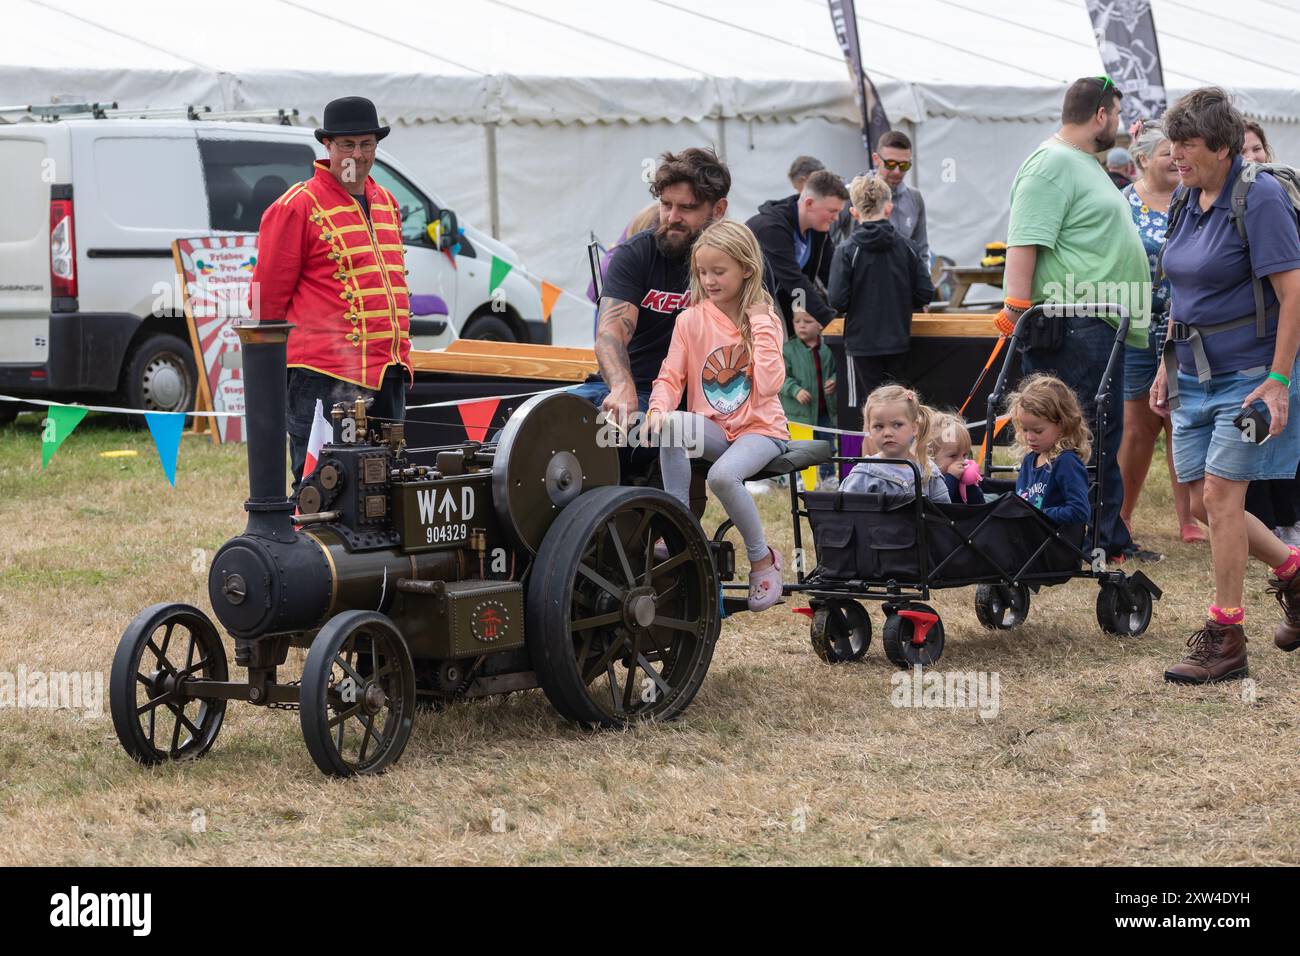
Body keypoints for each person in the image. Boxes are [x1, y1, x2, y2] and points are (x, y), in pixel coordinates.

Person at [1150, 88, 1300, 684]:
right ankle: (1293, 572)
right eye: (1173, 143)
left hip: (1247, 379)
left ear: (1222, 145)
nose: (1175, 155)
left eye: (1187, 145)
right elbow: (1181, 293)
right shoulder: (1189, 196)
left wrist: (1278, 381)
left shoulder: (1259, 197)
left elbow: (1294, 297)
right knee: (1201, 504)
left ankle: (1227, 635)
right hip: (1191, 372)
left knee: (1218, 496)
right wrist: (1166, 362)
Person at [999, 76, 1152, 564]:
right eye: (1118, 116)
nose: (1121, 128)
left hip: (1099, 324)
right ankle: (1081, 540)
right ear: (1101, 114)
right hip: (1073, 324)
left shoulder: (1082, 163)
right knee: (1078, 436)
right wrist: (1015, 310)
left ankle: (1103, 538)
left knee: (1099, 433)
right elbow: (1024, 240)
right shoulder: (1052, 164)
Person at [250, 96, 411, 488]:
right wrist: (269, 376)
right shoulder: (297, 206)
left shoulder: (388, 203)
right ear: (328, 147)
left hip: (388, 370)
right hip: (322, 377)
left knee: (386, 484)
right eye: (347, 145)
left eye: (367, 144)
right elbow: (264, 301)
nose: (357, 154)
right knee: (320, 487)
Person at [647, 221, 789, 612]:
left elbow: (772, 383)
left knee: (722, 476)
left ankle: (763, 559)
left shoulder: (764, 319)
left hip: (761, 430)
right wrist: (658, 408)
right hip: (714, 429)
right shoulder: (690, 320)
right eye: (702, 272)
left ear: (746, 268)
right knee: (672, 425)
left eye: (718, 271)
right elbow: (670, 376)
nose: (709, 280)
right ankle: (679, 530)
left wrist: (760, 321)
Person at [579, 148, 734, 429]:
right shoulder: (634, 254)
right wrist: (621, 386)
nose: (672, 217)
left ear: (718, 209)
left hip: (713, 403)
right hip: (636, 393)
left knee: (670, 434)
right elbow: (609, 335)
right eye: (666, 205)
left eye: (686, 208)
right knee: (535, 425)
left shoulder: (742, 260)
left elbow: (766, 341)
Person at [1117, 123, 1205, 545]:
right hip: (1136, 328)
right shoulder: (1123, 204)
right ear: (1143, 159)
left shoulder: (1194, 198)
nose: (1176, 159)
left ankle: (1188, 520)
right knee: (1138, 427)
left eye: (1179, 151)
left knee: (1180, 421)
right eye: (1167, 152)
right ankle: (1123, 515)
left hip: (1185, 331)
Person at [1236, 121, 1300, 545]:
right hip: (1245, 340)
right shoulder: (1227, 205)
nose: (1254, 157)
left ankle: (1290, 521)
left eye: (1258, 148)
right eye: (1244, 151)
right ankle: (1255, 519)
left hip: (1287, 332)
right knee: (1251, 430)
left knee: (1289, 428)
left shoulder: (1287, 193)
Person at [828, 174, 934, 408]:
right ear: (889, 208)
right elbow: (925, 292)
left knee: (869, 409)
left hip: (861, 342)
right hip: (899, 339)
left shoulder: (847, 250)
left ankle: (873, 443)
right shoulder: (908, 247)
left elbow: (837, 299)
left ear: (854, 213)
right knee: (899, 406)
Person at [746, 169, 848, 336]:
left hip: (777, 301)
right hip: (748, 305)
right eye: (832, 211)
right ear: (809, 203)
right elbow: (794, 281)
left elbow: (830, 272)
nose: (836, 218)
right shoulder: (771, 228)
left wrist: (849, 308)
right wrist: (831, 321)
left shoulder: (818, 229)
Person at [831, 130, 930, 268]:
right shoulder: (851, 193)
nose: (897, 171)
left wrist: (924, 284)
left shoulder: (915, 197)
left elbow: (922, 250)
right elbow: (824, 238)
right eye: (890, 164)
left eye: (904, 165)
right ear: (876, 159)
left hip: (901, 285)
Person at [1008, 374, 1092, 527]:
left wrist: (1037, 514)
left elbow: (1080, 511)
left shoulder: (1066, 462)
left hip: (1051, 544)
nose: (1029, 437)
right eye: (1025, 429)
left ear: (1062, 424)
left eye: (1038, 431)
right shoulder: (1029, 460)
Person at [841, 386, 950, 501]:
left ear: (914, 427)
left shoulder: (929, 471)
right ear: (869, 431)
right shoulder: (864, 473)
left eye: (897, 425)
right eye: (879, 426)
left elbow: (945, 514)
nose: (887, 433)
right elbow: (845, 513)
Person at [780, 311, 838, 484]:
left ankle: (828, 476)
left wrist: (835, 380)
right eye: (797, 321)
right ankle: (799, 477)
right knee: (801, 446)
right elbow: (780, 376)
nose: (802, 325)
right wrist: (795, 390)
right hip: (799, 413)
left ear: (820, 324)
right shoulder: (788, 349)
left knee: (827, 444)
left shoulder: (829, 348)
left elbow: (839, 368)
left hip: (825, 410)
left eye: (808, 321)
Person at [932, 412, 985, 504]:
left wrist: (971, 483)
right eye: (953, 456)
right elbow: (941, 504)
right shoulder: (930, 480)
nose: (962, 461)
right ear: (931, 456)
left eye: (964, 455)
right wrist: (951, 477)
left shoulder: (962, 478)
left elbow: (979, 505)